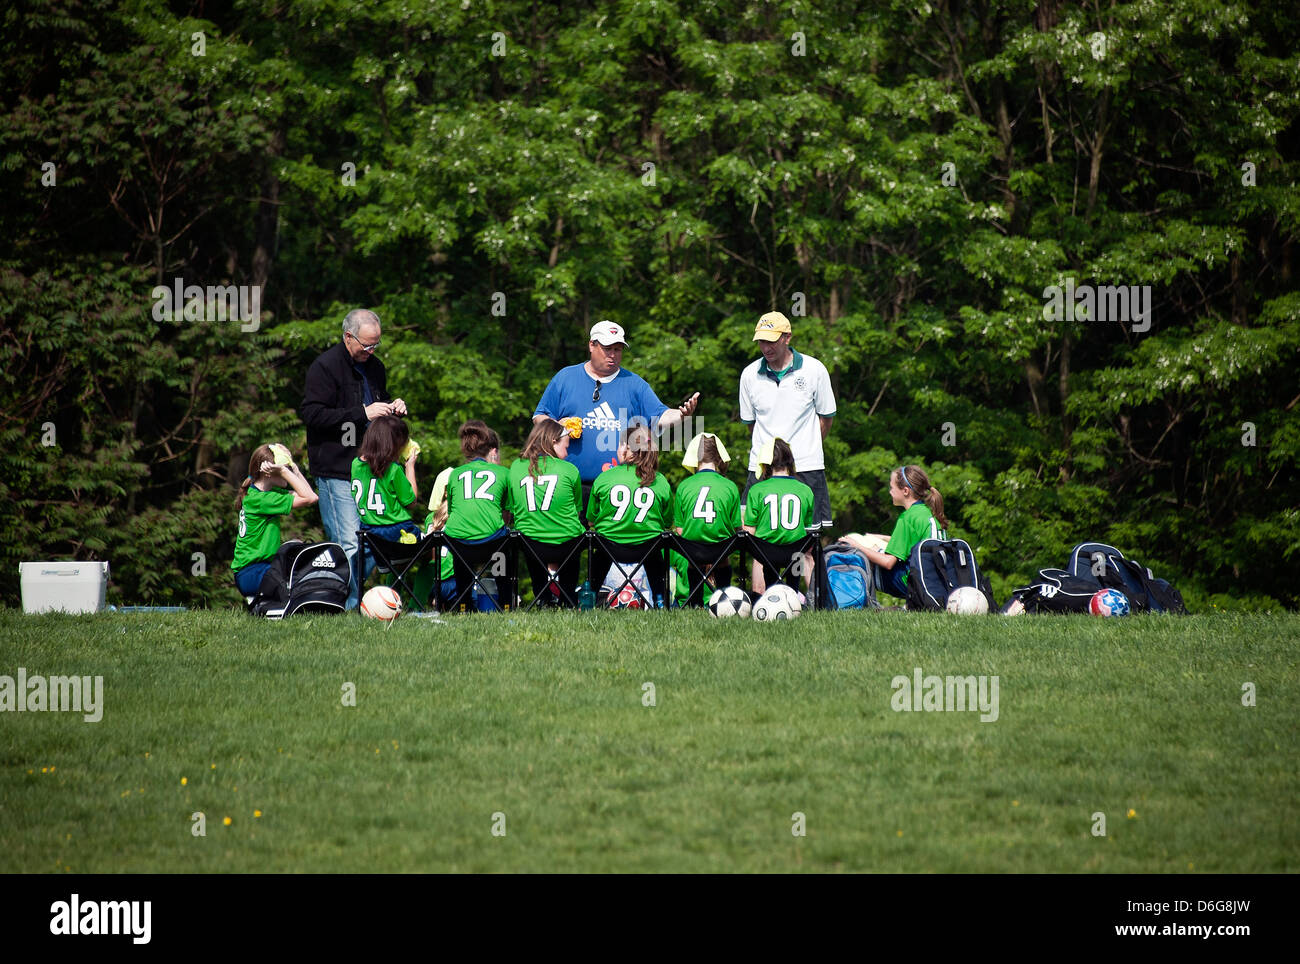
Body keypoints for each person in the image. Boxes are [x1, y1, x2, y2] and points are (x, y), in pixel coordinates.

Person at [301, 308, 408, 609]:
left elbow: (378, 405)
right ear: (348, 337)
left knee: (376, 539)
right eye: (366, 345)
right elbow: (312, 414)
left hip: (371, 470)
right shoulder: (324, 367)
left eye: (376, 345)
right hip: (336, 469)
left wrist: (392, 405)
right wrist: (362, 413)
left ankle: (354, 603)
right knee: (349, 543)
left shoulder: (375, 367)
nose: (371, 351)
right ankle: (344, 608)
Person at [533, 321, 700, 511]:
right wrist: (559, 427)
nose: (613, 354)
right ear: (591, 345)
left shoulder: (634, 384)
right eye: (607, 348)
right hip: (568, 484)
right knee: (572, 539)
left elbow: (660, 415)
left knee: (610, 540)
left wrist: (681, 414)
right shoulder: (566, 378)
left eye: (618, 349)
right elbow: (539, 417)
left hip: (616, 486)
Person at [739, 311, 835, 533]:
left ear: (787, 337)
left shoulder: (815, 370)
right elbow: (751, 425)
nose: (766, 347)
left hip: (806, 466)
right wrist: (768, 454)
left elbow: (826, 419)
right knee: (753, 536)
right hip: (762, 468)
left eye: (771, 340)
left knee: (808, 542)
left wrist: (804, 448)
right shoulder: (749, 375)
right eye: (761, 341)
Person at [587, 423, 673, 604]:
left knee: (598, 546)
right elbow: (667, 521)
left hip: (609, 547)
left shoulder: (604, 477)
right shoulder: (660, 480)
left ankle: (589, 598)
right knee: (656, 548)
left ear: (627, 448)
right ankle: (660, 600)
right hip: (647, 548)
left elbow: (591, 519)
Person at [508, 419, 585, 607]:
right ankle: (567, 596)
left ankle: (541, 593)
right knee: (577, 535)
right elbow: (576, 510)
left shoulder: (516, 467)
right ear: (553, 442)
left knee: (528, 533)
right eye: (565, 447)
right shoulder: (569, 470)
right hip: (567, 544)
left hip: (530, 544)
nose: (567, 454)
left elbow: (513, 509)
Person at [844, 464, 948, 600]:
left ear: (905, 491)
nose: (890, 492)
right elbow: (915, 541)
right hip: (936, 583)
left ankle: (853, 602)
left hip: (916, 585)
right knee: (874, 546)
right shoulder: (926, 512)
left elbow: (888, 562)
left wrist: (856, 545)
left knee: (858, 556)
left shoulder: (907, 518)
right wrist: (881, 537)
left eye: (892, 487)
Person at [232, 444, 319, 598]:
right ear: (268, 473)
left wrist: (294, 468)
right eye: (283, 470)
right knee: (301, 580)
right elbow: (310, 498)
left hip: (258, 570)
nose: (287, 473)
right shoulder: (262, 499)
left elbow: (311, 495)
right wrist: (285, 471)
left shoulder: (264, 493)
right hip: (252, 573)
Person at [444, 420, 512, 611]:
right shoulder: (503, 472)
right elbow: (507, 513)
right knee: (504, 547)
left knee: (460, 550)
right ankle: (506, 603)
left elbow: (452, 512)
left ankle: (464, 605)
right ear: (489, 449)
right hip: (492, 545)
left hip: (459, 545)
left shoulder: (454, 474)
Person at [673, 432, 741, 605]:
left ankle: (694, 602)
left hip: (692, 549)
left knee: (691, 557)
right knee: (724, 557)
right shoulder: (730, 486)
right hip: (721, 550)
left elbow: (680, 530)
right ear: (718, 459)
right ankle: (724, 598)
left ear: (694, 459)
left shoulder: (684, 486)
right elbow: (735, 528)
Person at [351, 414, 421, 581]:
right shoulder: (393, 469)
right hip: (397, 531)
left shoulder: (355, 464)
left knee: (396, 565)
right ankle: (414, 599)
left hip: (369, 533)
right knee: (432, 550)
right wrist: (409, 466)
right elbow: (411, 502)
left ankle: (389, 583)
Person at [742, 438, 814, 595]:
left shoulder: (757, 490)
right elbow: (807, 528)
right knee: (796, 557)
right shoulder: (806, 490)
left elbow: (749, 531)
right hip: (795, 553)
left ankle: (771, 595)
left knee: (768, 556)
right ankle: (793, 594)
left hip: (767, 553)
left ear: (766, 463)